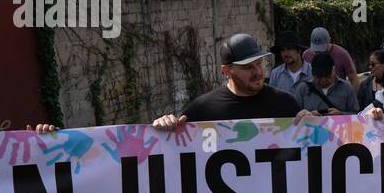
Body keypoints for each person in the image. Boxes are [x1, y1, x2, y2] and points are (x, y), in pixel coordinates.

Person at [153, 33, 302, 124]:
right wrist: (163, 127)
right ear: (226, 71)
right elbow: (176, 148)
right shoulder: (202, 109)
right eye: (248, 67)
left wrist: (312, 123)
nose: (258, 72)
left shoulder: (285, 103)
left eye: (259, 64)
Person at [292, 52, 359, 116]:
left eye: (327, 76)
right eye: (319, 77)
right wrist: (306, 115)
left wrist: (340, 114)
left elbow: (356, 114)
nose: (323, 80)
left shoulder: (346, 88)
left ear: (333, 70)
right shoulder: (303, 89)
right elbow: (294, 115)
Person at [307, 27, 360, 92]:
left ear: (329, 41)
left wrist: (351, 98)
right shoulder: (307, 55)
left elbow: (353, 79)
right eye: (316, 49)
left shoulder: (342, 54)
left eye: (322, 47)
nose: (319, 51)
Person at [268, 31, 308, 95]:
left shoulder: (312, 72)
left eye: (289, 49)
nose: (285, 54)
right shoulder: (275, 74)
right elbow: (271, 99)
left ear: (299, 50)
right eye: (282, 50)